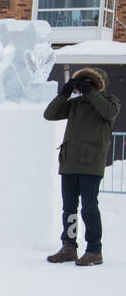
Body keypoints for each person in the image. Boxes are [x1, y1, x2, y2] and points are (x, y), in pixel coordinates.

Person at [44, 66, 119, 266]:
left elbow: (109, 112)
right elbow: (50, 114)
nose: (86, 87)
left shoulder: (110, 103)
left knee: (89, 209)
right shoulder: (75, 104)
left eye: (91, 83)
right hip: (69, 164)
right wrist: (65, 93)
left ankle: (94, 250)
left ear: (99, 85)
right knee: (69, 210)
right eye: (83, 84)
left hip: (91, 165)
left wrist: (91, 93)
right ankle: (69, 247)